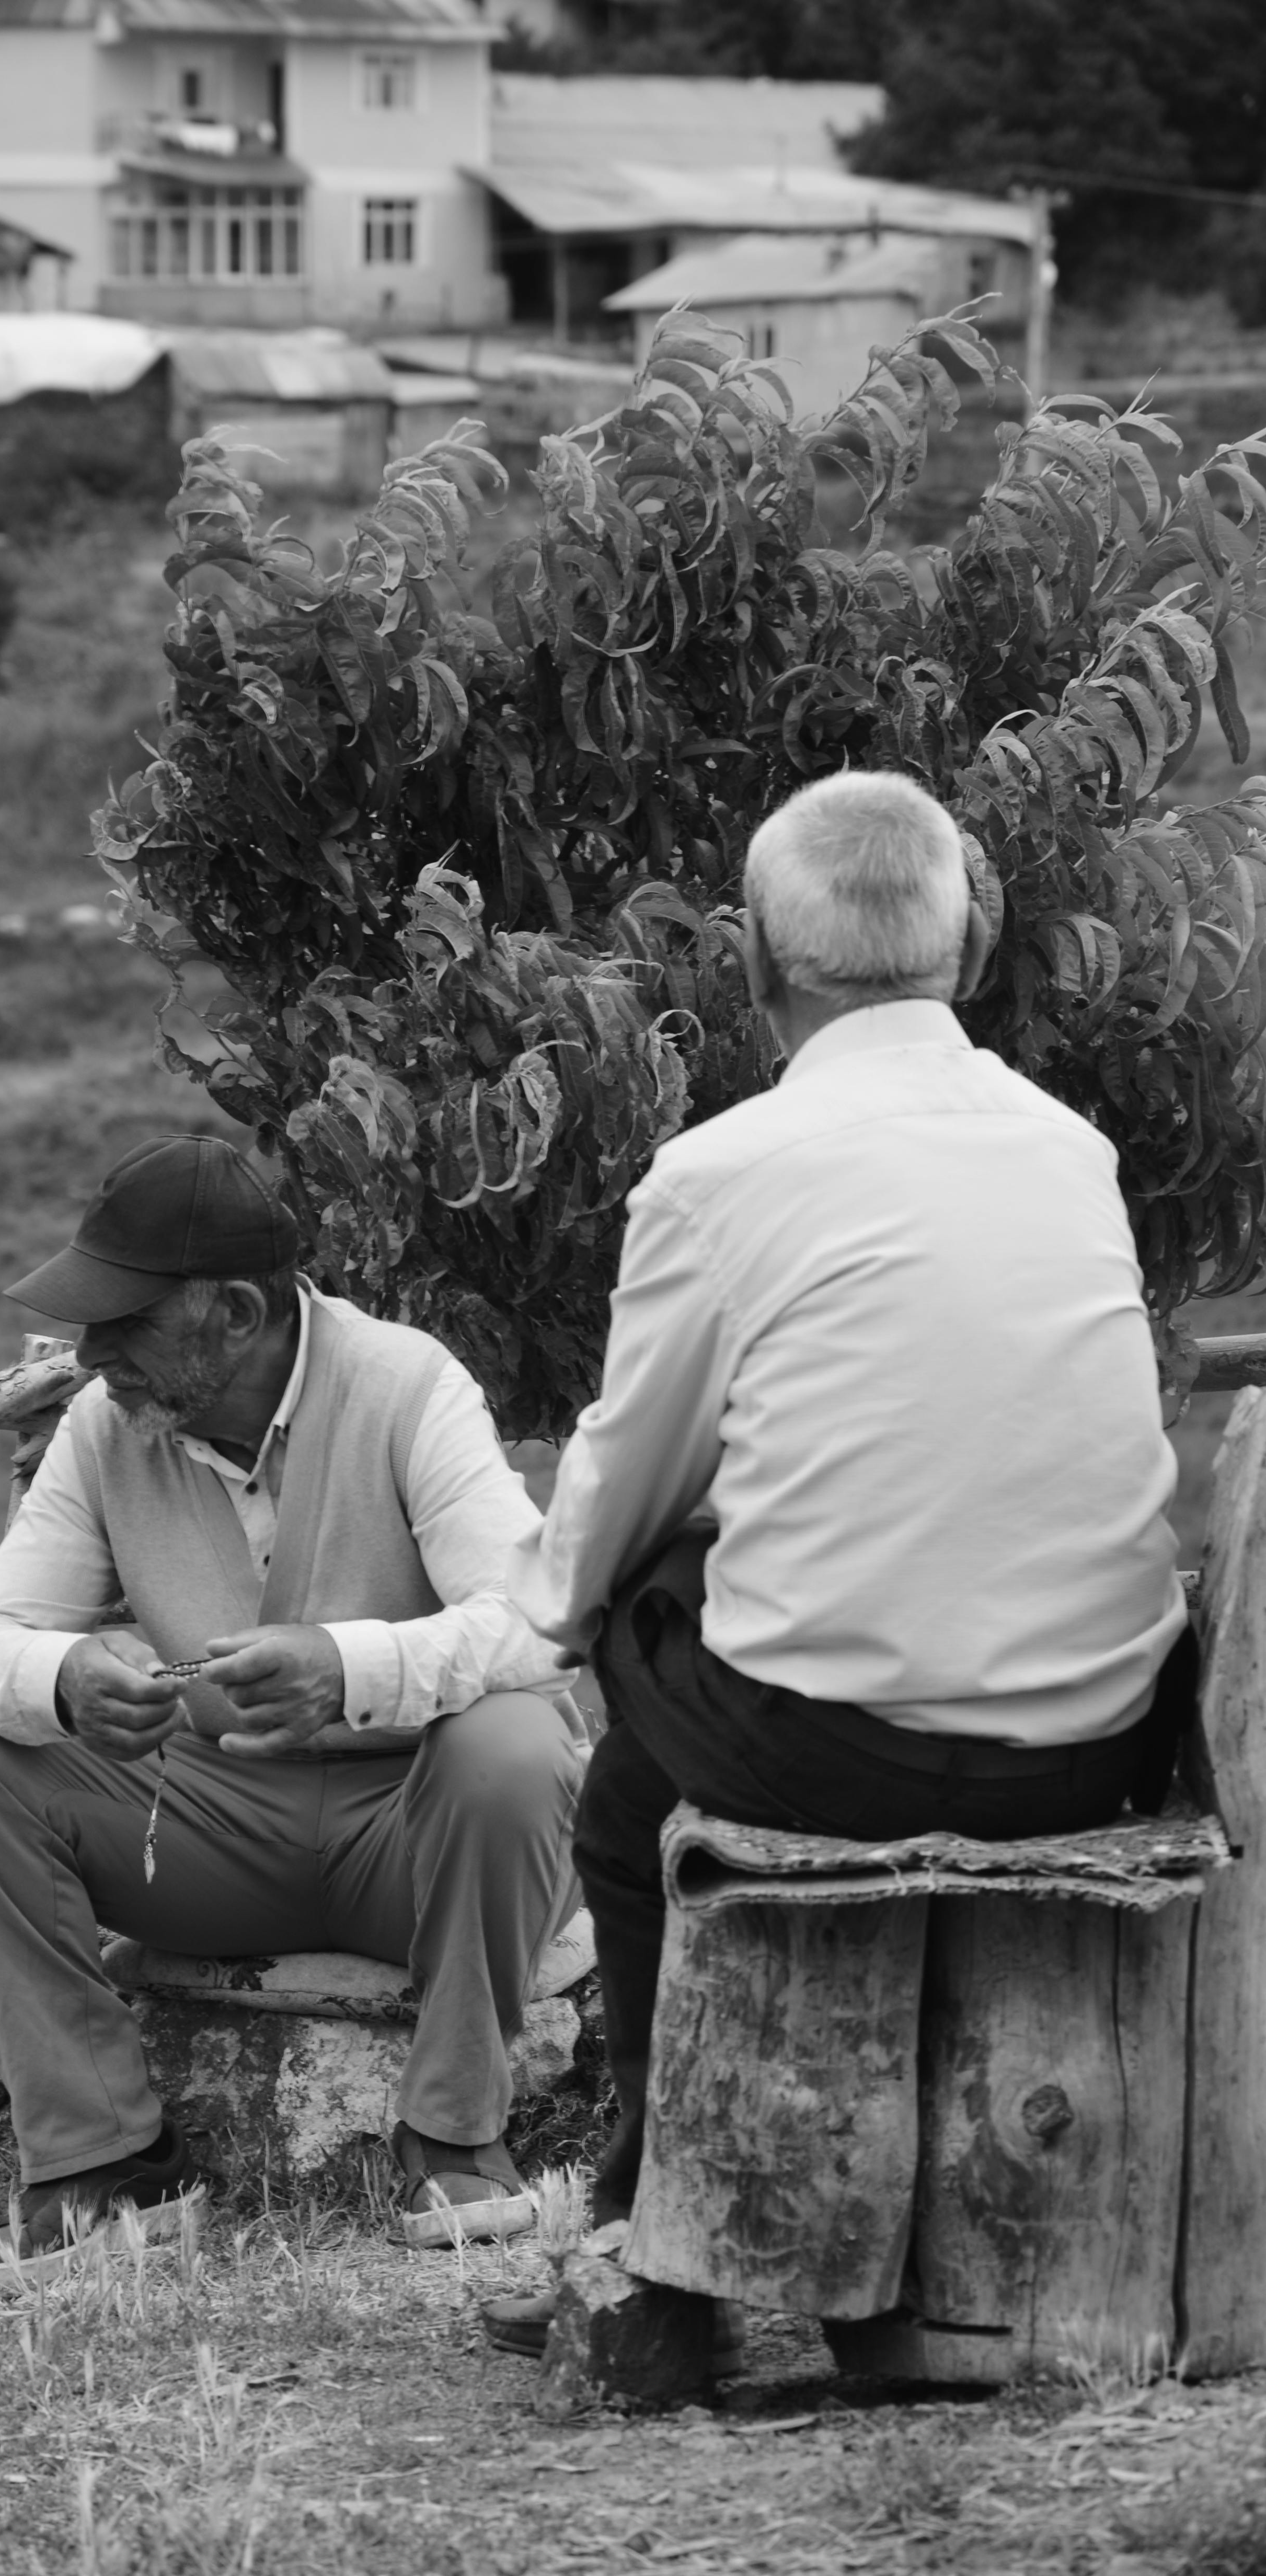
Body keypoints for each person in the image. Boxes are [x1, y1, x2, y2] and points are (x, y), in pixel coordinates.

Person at [490, 768, 1193, 2356]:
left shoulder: (724, 1173)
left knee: (631, 1699)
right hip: (1099, 1745)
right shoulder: (1069, 1150)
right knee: (673, 1675)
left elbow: (629, 1466)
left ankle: (660, 2258)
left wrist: (556, 1614)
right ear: (973, 941)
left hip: (844, 1757)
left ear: (751, 963)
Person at [0, 1133, 585, 2293]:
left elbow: (537, 1623)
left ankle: (456, 2134)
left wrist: (349, 1666)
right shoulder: (103, 1427)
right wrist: (60, 1676)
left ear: (234, 1309)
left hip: (420, 1838)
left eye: (126, 1322)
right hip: (210, 1835)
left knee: (512, 1742)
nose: (93, 1352)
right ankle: (105, 2166)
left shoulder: (409, 1383)